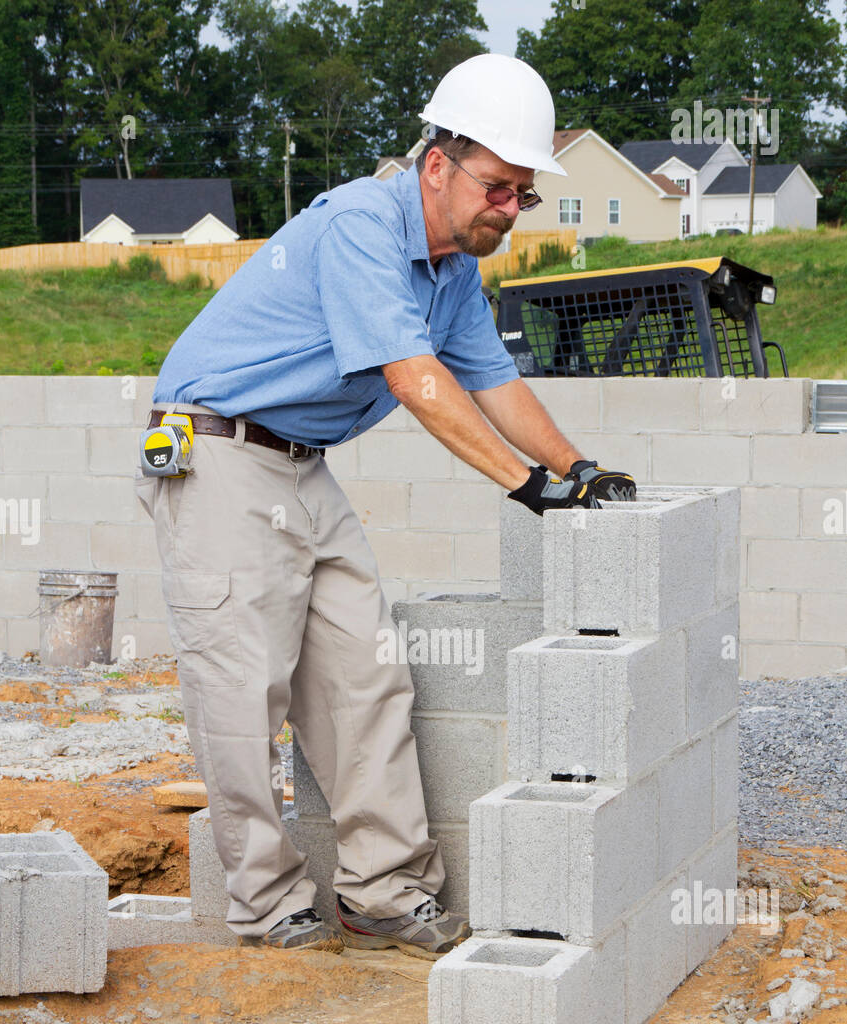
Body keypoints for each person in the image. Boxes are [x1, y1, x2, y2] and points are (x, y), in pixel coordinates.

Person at [137, 53, 636, 958]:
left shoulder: (451, 273)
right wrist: (526, 487)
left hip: (300, 464)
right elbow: (415, 378)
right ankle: (267, 900)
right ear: (436, 164)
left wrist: (580, 467)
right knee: (244, 688)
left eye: (523, 195)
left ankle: (385, 892)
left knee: (367, 675)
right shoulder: (363, 224)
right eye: (497, 187)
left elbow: (492, 379)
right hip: (216, 452)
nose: (508, 210)